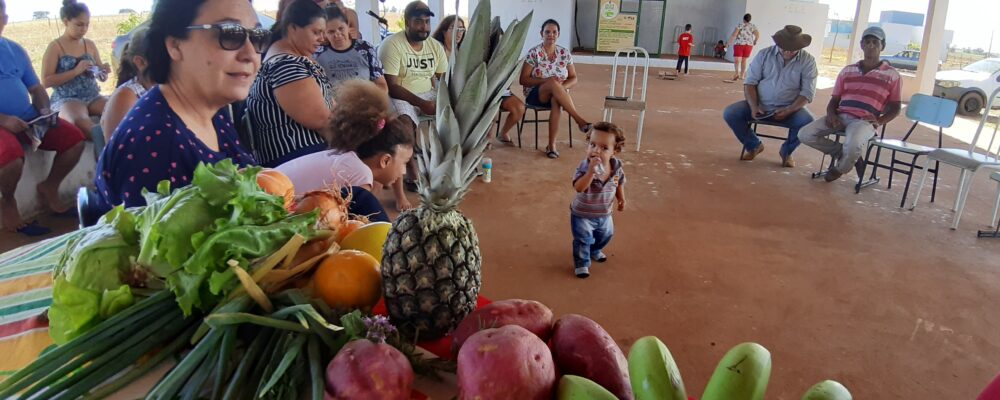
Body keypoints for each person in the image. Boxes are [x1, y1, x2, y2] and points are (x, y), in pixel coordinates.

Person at [93, 0, 264, 211]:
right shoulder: (158, 143)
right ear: (175, 45)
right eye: (229, 34)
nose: (250, 54)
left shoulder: (209, 111)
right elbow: (161, 242)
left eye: (257, 37)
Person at [0, 0, 85, 235]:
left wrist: (45, 111)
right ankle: (7, 200)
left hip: (27, 118)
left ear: (5, 20)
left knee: (74, 140)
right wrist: (4, 120)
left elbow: (37, 89)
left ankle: (50, 185)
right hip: (2, 124)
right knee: (11, 158)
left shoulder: (14, 49)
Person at [277, 80, 414, 215]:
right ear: (385, 160)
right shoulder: (359, 173)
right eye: (404, 163)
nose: (403, 171)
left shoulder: (348, 159)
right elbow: (356, 225)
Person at [798, 26, 901, 183]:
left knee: (853, 145)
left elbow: (895, 106)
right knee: (805, 134)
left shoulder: (892, 75)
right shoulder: (847, 71)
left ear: (883, 46)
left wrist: (880, 121)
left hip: (864, 121)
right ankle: (845, 155)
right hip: (840, 116)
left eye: (875, 42)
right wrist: (831, 115)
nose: (871, 46)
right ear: (861, 45)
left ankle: (840, 168)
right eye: (867, 42)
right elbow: (834, 100)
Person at [247, 0, 334, 168]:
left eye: (323, 33)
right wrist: (357, 145)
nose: (322, 39)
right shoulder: (286, 65)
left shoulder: (290, 59)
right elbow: (322, 121)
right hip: (296, 157)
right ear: (293, 28)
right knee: (371, 162)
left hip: (308, 155)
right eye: (316, 32)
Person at [723, 25, 817, 168]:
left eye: (793, 49)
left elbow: (807, 93)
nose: (788, 52)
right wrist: (754, 106)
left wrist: (790, 110)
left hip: (791, 108)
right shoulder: (763, 55)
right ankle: (753, 145)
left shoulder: (808, 61)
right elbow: (750, 83)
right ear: (777, 43)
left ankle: (787, 151)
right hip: (761, 105)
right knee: (731, 113)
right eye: (784, 48)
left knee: (808, 122)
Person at [40, 0, 110, 152]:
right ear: (66, 22)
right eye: (79, 24)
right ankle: (105, 150)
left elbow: (100, 75)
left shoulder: (89, 45)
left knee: (117, 110)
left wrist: (103, 71)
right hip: (67, 97)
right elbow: (46, 81)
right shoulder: (55, 47)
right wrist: (75, 71)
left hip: (93, 95)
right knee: (79, 121)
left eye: (86, 24)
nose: (83, 29)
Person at [519, 19, 592, 159]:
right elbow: (523, 80)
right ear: (541, 34)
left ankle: (551, 146)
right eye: (547, 32)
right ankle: (579, 121)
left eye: (554, 32)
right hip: (536, 94)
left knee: (556, 100)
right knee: (552, 82)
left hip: (559, 95)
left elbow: (573, 78)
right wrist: (547, 81)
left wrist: (560, 88)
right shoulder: (534, 53)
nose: (550, 35)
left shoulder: (564, 53)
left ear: (558, 34)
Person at [570, 121, 626, 279]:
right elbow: (579, 187)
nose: (596, 150)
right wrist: (590, 172)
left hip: (604, 213)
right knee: (582, 240)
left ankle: (594, 250)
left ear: (614, 151)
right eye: (593, 145)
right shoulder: (584, 167)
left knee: (606, 235)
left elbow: (619, 182)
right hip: (582, 214)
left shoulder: (616, 167)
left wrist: (621, 199)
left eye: (604, 148)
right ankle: (582, 263)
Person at [379, 1, 447, 129]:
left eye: (427, 22)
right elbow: (392, 87)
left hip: (429, 94)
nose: (424, 27)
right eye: (418, 21)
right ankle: (410, 148)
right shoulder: (392, 44)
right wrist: (422, 104)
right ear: (407, 23)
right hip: (401, 97)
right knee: (405, 125)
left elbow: (445, 78)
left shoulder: (436, 46)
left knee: (460, 114)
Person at [315, 5, 387, 93]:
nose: (337, 34)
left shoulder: (366, 49)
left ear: (348, 26)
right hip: (331, 105)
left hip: (365, 102)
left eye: (341, 28)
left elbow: (382, 86)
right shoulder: (317, 53)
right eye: (331, 31)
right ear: (324, 33)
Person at [100, 27, 154, 140]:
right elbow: (118, 151)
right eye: (165, 57)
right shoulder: (125, 97)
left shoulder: (161, 90)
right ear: (140, 62)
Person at [725, 13, 759, 83]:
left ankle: (736, 73)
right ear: (750, 19)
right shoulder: (753, 26)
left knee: (737, 59)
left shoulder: (740, 25)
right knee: (744, 60)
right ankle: (742, 75)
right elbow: (757, 34)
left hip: (739, 44)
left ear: (743, 19)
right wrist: (755, 40)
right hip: (749, 45)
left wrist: (728, 43)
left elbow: (734, 35)